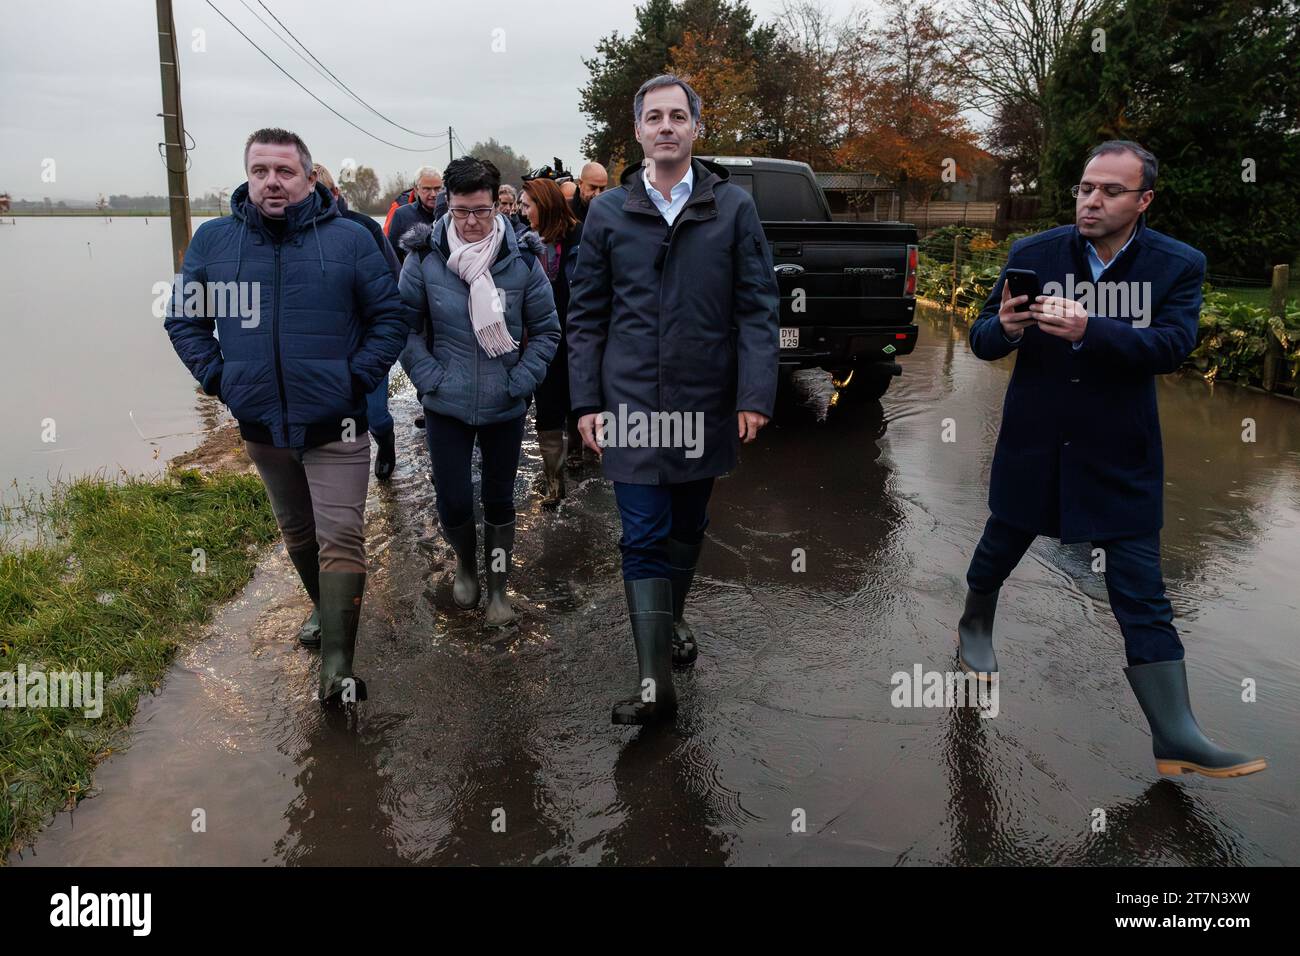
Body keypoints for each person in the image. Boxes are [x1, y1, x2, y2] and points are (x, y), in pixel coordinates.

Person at [961, 140, 1266, 778]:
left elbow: (1173, 346)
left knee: (1142, 591)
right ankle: (976, 623)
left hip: (1118, 452)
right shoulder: (1035, 253)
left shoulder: (1177, 264)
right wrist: (1010, 326)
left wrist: (1091, 330)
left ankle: (1176, 736)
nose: (1091, 201)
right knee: (999, 545)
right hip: (1035, 444)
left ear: (1143, 200)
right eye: (1084, 188)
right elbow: (982, 338)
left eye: (1110, 191)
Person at [164, 128, 409, 705]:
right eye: (260, 171)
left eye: (284, 171)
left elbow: (390, 317)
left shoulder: (350, 238)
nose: (271, 181)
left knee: (342, 534)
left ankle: (337, 668)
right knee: (297, 530)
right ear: (248, 177)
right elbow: (185, 321)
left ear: (308, 177)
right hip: (261, 424)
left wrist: (356, 377)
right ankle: (324, 612)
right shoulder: (215, 242)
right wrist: (221, 380)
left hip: (338, 422)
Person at [567, 75, 779, 724]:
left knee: (688, 526)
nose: (665, 126)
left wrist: (753, 393)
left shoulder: (732, 209)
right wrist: (586, 403)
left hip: (704, 400)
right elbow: (587, 316)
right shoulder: (608, 213)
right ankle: (654, 683)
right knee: (642, 536)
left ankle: (675, 616)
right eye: (653, 116)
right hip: (629, 402)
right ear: (637, 131)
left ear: (695, 129)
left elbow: (757, 307)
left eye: (677, 116)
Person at [398, 156, 560, 627]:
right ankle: (465, 565)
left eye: (483, 211)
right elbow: (403, 328)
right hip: (445, 402)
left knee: (499, 497)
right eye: (463, 210)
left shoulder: (522, 260)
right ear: (448, 204)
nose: (472, 222)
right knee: (451, 496)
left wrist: (520, 382)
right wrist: (430, 379)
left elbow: (547, 331)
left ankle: (498, 587)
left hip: (504, 402)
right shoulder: (425, 257)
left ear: (498, 207)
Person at [315, 163, 401, 482]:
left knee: (375, 414)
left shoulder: (363, 228)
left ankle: (386, 442)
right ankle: (347, 475)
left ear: (336, 193)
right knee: (337, 421)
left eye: (322, 194)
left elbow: (392, 282)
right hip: (325, 351)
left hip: (366, 344)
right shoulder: (295, 235)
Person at [518, 177, 582, 507]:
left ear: (544, 205)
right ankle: (555, 484)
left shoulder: (581, 236)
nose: (522, 210)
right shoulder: (524, 242)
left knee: (580, 403)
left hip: (579, 339)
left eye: (527, 205)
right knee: (547, 413)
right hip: (542, 342)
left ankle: (581, 454)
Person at [387, 165, 446, 264]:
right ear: (416, 190)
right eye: (426, 189)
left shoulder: (452, 214)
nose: (433, 194)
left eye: (437, 188)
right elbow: (392, 256)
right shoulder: (402, 215)